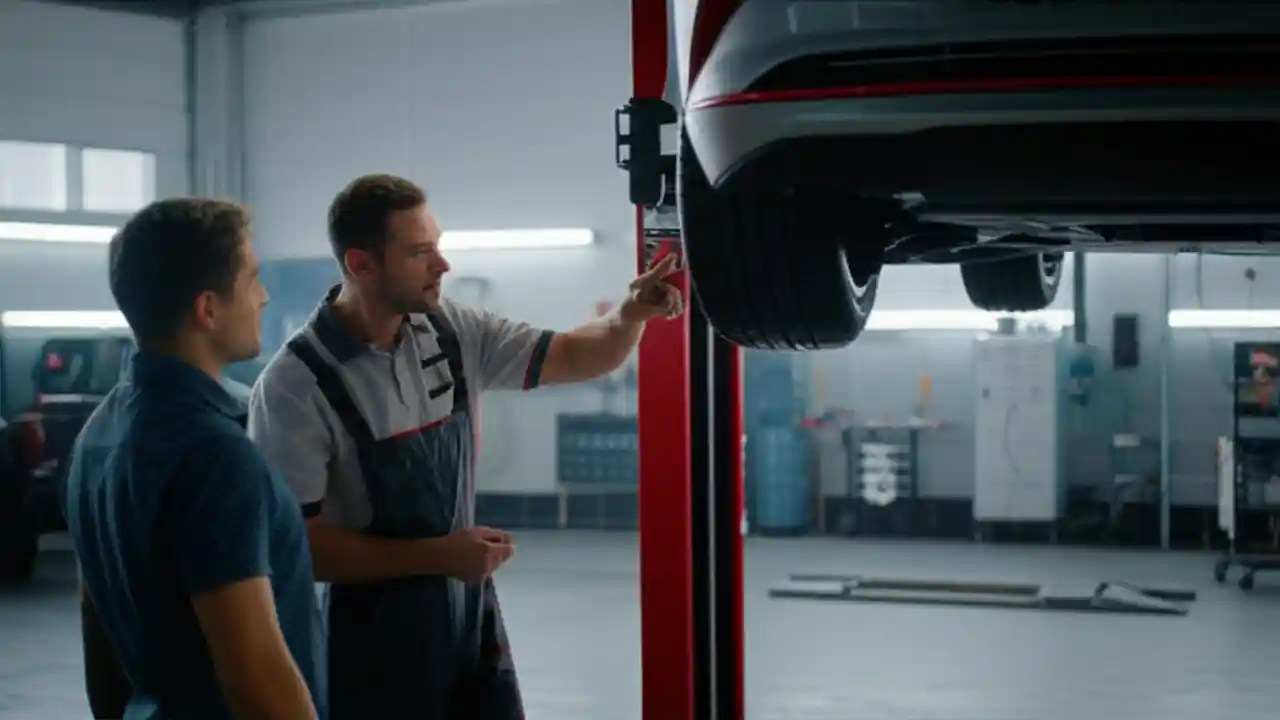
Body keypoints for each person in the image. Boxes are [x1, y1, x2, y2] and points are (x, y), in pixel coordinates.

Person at [248, 173, 681, 719]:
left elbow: (574, 354)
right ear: (362, 265)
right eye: (420, 252)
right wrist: (440, 556)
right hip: (370, 647)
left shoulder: (448, 330)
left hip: (466, 617)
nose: (443, 266)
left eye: (439, 246)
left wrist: (627, 316)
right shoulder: (296, 386)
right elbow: (296, 548)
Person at [63, 198, 324, 720]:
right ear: (208, 309)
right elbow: (256, 683)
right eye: (252, 280)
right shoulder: (215, 457)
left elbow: (99, 626)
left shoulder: (99, 435)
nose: (265, 296)